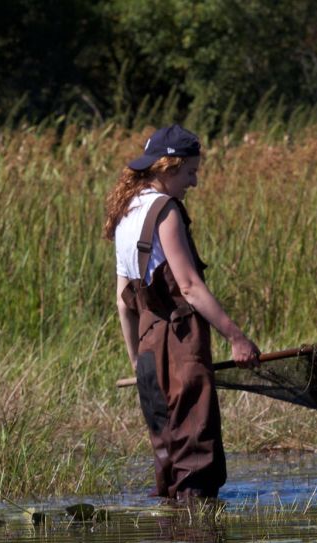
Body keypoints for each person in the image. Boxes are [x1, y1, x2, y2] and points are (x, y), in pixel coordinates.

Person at [104, 124, 261, 500]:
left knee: (168, 454)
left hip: (147, 347)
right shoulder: (165, 210)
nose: (194, 182)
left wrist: (138, 361)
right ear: (168, 167)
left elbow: (122, 298)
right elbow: (189, 286)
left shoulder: (126, 212)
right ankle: (199, 539)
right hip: (180, 342)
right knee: (195, 453)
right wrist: (236, 337)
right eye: (190, 172)